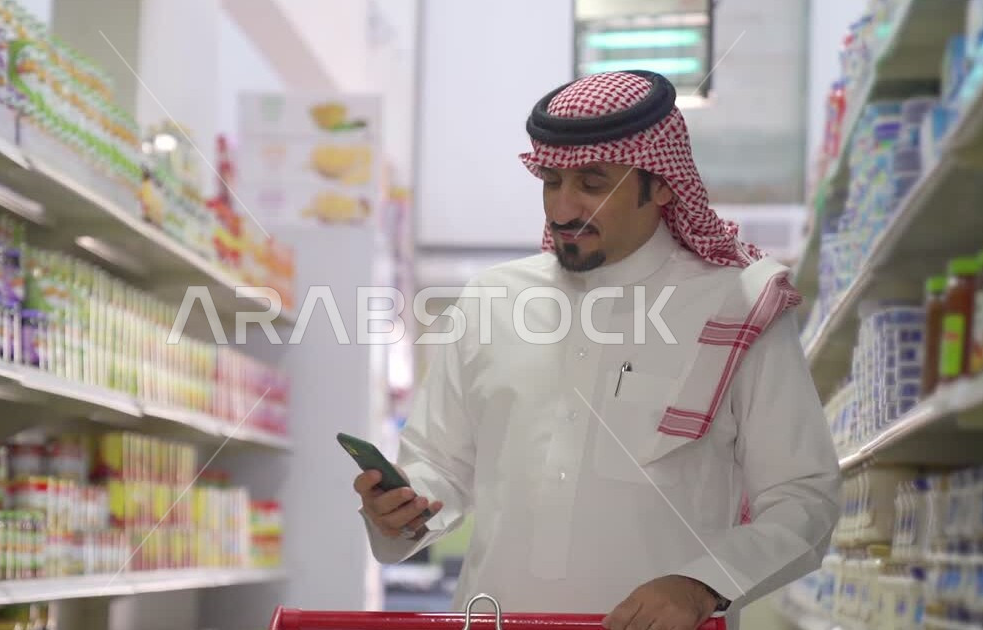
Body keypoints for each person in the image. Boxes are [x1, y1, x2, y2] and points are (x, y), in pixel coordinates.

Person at [353, 70, 841, 630]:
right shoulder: (490, 301)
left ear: (660, 183)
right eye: (550, 181)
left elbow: (805, 498)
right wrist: (402, 511)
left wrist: (704, 584)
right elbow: (439, 466)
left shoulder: (738, 307)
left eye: (592, 183)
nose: (561, 209)